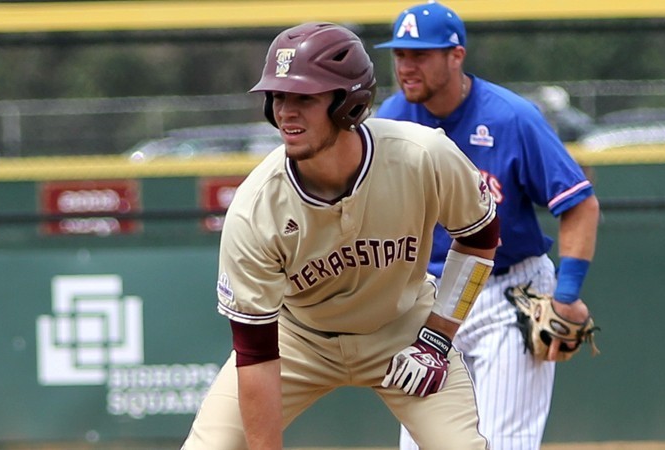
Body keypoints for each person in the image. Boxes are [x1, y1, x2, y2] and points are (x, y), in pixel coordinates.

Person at [181, 21, 499, 450]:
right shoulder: (255, 207)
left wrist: (438, 337)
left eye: (304, 97)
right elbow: (255, 353)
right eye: (278, 96)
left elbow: (480, 237)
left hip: (401, 328)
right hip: (298, 340)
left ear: (349, 103)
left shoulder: (423, 156)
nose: (285, 111)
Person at [373, 3, 601, 449]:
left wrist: (567, 295)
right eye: (400, 55)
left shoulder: (512, 118)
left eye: (420, 55)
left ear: (456, 56)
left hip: (506, 291)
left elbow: (579, 204)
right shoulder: (391, 119)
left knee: (504, 442)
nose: (406, 66)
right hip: (430, 301)